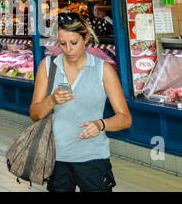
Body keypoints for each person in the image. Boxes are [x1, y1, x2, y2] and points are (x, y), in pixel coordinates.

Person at [29, 13, 131, 192]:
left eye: (74, 43)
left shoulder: (103, 70)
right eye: (62, 44)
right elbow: (35, 114)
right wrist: (51, 100)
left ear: (86, 39)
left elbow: (125, 119)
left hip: (92, 158)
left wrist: (100, 124)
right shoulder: (48, 66)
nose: (68, 49)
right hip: (57, 158)